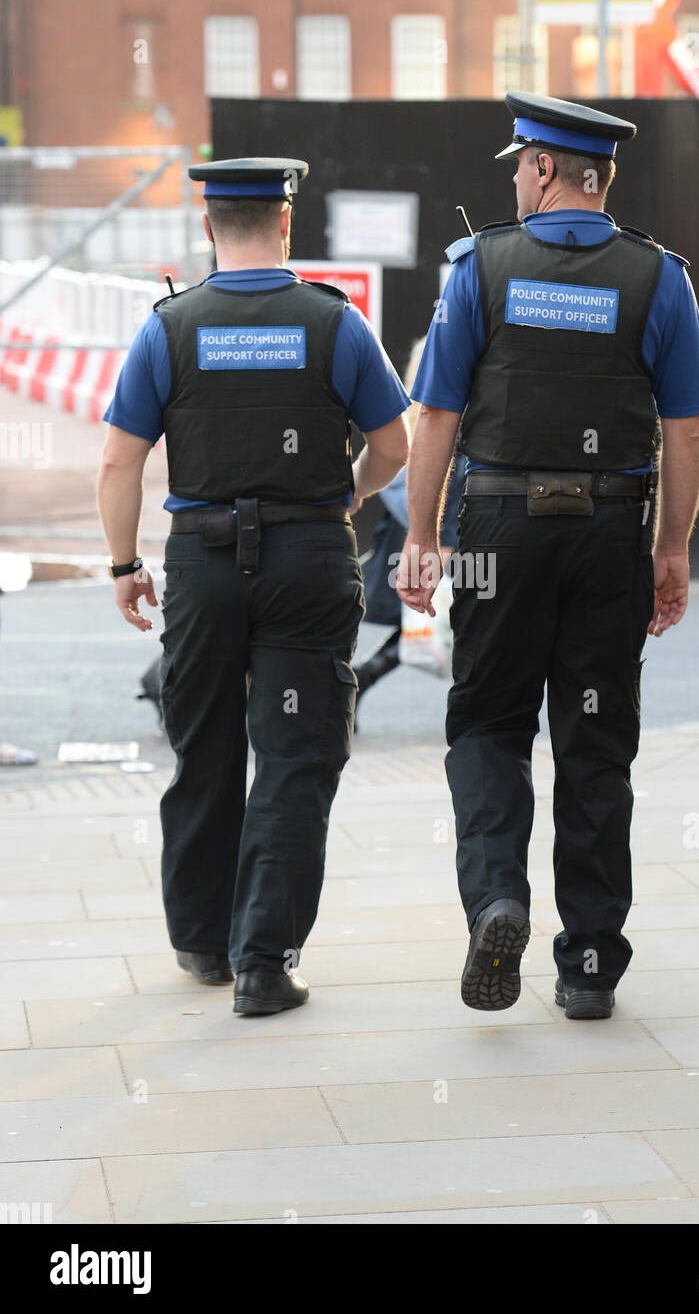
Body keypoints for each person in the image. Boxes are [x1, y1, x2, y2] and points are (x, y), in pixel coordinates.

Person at [398, 93, 699, 1020]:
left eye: (517, 164)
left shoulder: (479, 268)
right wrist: (673, 552)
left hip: (500, 531)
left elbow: (439, 417)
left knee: (491, 724)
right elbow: (684, 431)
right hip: (610, 532)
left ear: (543, 169)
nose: (512, 178)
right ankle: (586, 964)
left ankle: (498, 897)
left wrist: (422, 537)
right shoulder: (660, 280)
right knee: (595, 741)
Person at [97, 157, 409, 1015]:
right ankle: (265, 961)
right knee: (295, 753)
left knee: (204, 745)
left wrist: (125, 566)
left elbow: (121, 458)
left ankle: (203, 944)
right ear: (286, 221)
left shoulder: (168, 329)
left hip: (200, 562)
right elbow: (395, 445)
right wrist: (342, 492)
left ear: (208, 228)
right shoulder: (334, 323)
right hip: (307, 560)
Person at [354, 340, 465, 724]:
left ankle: (359, 680)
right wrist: (445, 544)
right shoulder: (449, 423)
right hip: (446, 544)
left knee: (425, 626)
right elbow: (450, 492)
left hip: (408, 541)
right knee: (452, 624)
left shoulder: (411, 421)